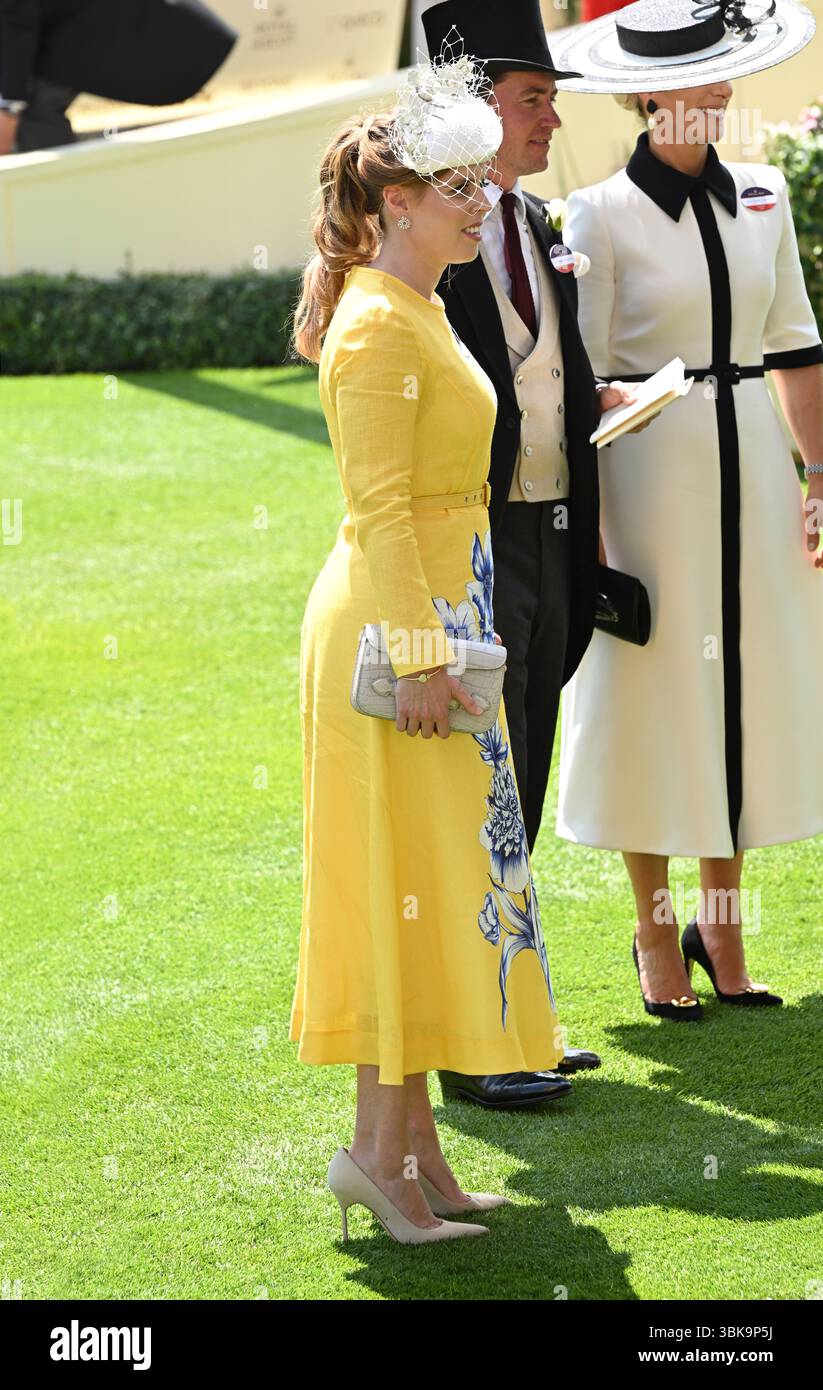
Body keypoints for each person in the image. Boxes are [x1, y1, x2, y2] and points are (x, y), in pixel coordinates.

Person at [289, 36, 566, 1245]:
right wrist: (417, 658)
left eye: (479, 183)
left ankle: (415, 1157)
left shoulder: (411, 303)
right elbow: (379, 510)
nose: (481, 201)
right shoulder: (373, 329)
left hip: (447, 623)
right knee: (401, 888)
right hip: (403, 638)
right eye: (457, 189)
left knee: (439, 886)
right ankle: (377, 1158)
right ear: (395, 204)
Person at [548, 0, 823, 1016]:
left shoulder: (766, 191)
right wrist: (598, 505)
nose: (716, 88)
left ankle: (726, 925)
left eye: (722, 70)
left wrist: (818, 478)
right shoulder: (596, 215)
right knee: (656, 690)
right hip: (645, 474)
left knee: (741, 682)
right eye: (695, 73)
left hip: (753, 463)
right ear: (643, 90)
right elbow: (575, 375)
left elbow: (794, 345)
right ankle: (655, 934)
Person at [421, 0, 651, 1109]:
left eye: (551, 99)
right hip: (478, 529)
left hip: (554, 526)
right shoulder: (429, 233)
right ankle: (475, 1042)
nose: (552, 118)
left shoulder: (537, 220)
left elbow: (548, 369)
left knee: (527, 755)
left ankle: (520, 1015)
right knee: (484, 777)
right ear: (475, 111)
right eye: (531, 101)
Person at [0, 0, 236, 155]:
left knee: (32, 108)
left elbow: (16, 23)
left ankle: (52, 202)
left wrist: (9, 107)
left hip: (165, 40)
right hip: (79, 27)